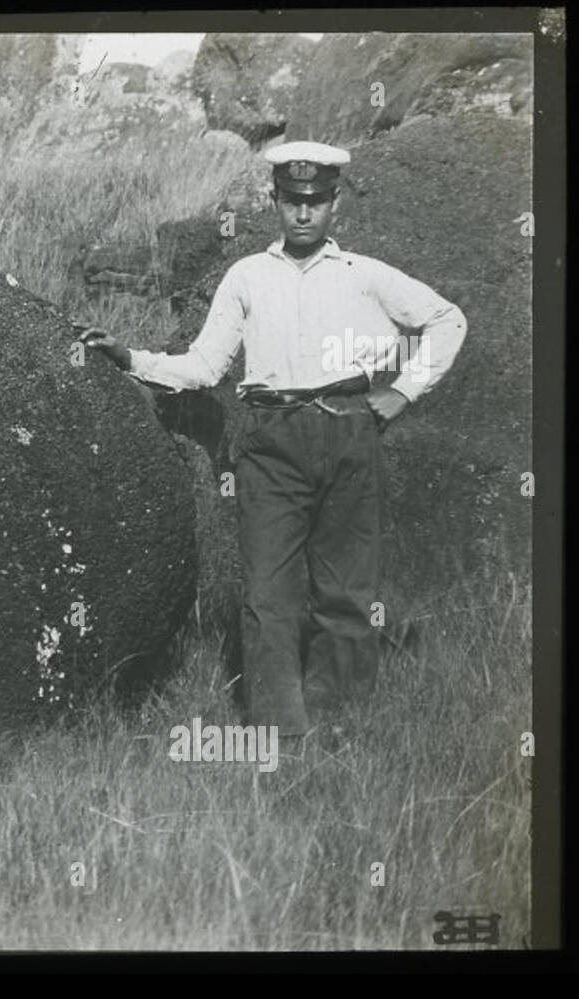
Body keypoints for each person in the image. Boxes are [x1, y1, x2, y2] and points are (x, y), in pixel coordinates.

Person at [80, 141, 467, 737]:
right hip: (269, 441)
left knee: (345, 588)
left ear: (334, 203)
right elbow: (205, 365)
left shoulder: (364, 276)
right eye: (292, 201)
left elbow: (447, 319)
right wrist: (131, 357)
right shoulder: (247, 277)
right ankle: (280, 729)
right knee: (268, 592)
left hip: (348, 431)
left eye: (315, 201)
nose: (304, 214)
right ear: (275, 202)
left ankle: (339, 718)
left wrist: (402, 391)